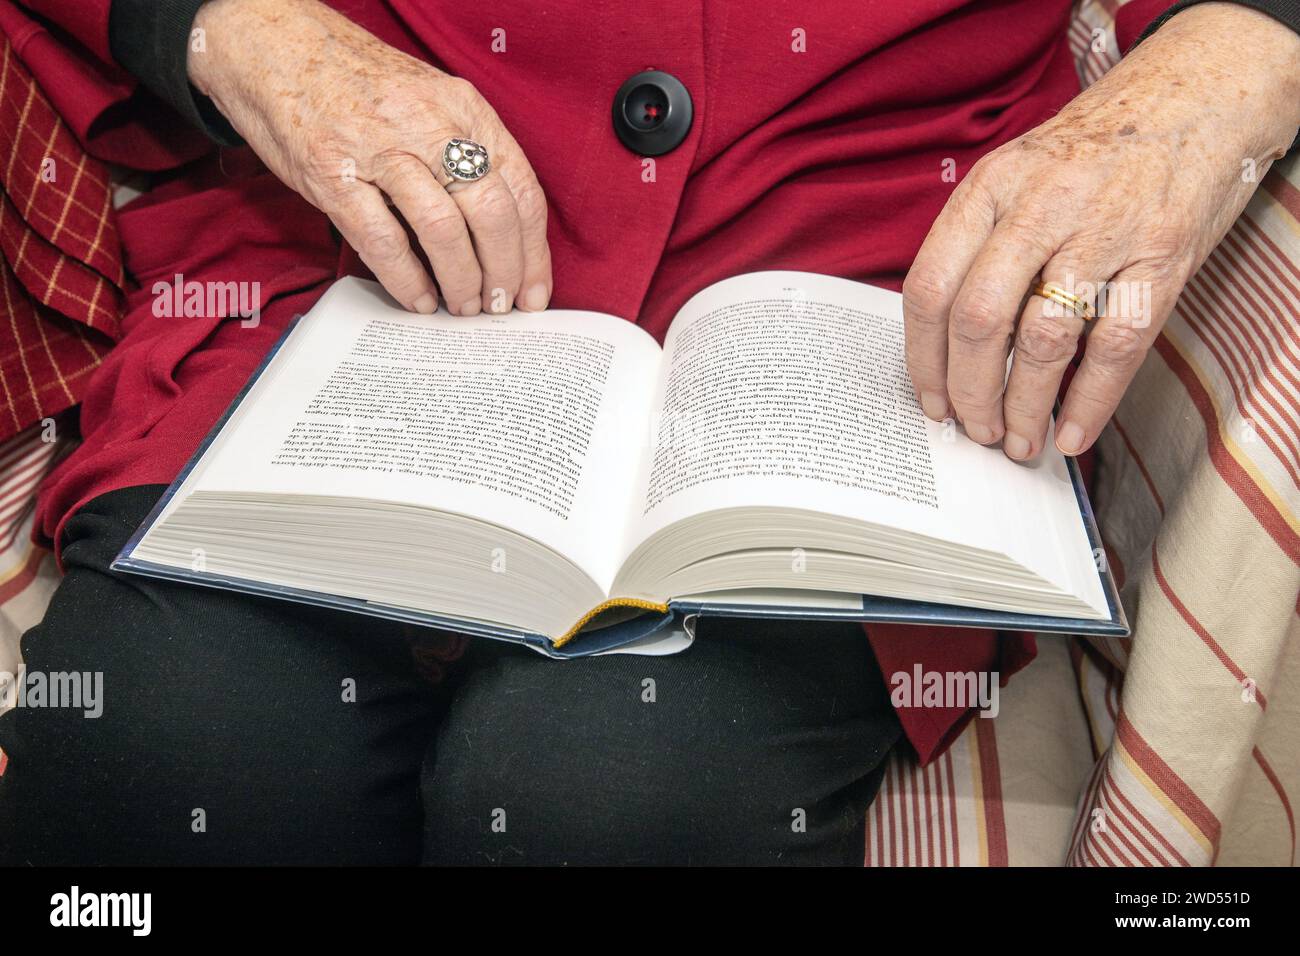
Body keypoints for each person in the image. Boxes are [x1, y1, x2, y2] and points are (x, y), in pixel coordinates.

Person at [0, 0, 1296, 865]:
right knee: (157, 766)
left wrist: (1233, 62)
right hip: (336, 256)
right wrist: (235, 29)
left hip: (867, 309)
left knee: (617, 808)